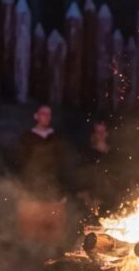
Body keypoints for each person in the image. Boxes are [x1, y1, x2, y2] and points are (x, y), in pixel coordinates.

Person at [17, 105, 69, 247]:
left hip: (53, 192)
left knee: (53, 235)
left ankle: (52, 258)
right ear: (36, 116)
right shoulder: (27, 138)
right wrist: (24, 191)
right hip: (33, 191)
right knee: (31, 233)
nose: (46, 117)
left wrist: (62, 190)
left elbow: (62, 165)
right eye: (43, 113)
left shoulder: (56, 137)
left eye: (49, 114)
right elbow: (22, 164)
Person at [77, 121, 116, 220]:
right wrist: (89, 198)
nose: (101, 134)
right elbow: (83, 180)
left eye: (103, 131)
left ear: (107, 133)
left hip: (112, 203)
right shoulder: (87, 156)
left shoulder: (114, 155)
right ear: (94, 134)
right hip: (92, 203)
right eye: (98, 132)